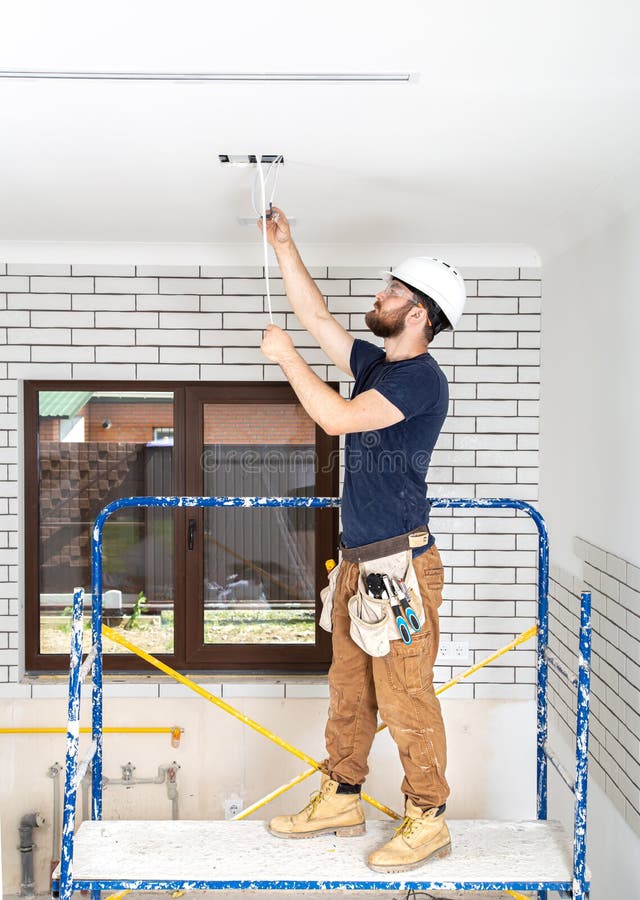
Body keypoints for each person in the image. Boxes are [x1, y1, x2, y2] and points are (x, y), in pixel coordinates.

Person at [258, 208, 466, 873]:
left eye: (392, 291)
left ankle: (428, 817)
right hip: (359, 565)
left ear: (419, 315)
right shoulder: (378, 363)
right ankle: (343, 795)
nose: (379, 296)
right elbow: (317, 318)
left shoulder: (420, 380)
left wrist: (286, 359)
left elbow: (338, 418)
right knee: (349, 693)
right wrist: (287, 247)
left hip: (402, 566)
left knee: (406, 698)